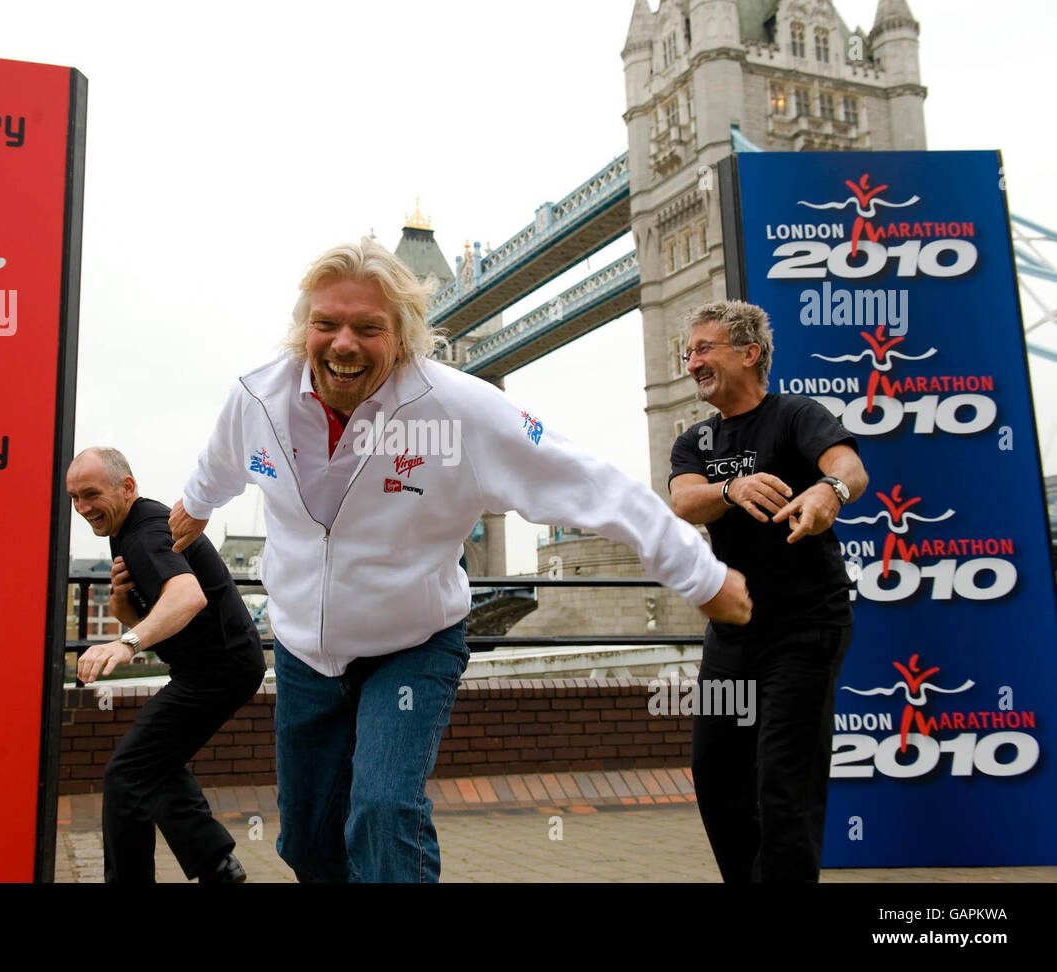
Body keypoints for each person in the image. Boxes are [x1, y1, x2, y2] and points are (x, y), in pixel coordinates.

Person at [169, 239, 751, 883]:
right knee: (306, 840)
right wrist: (195, 506)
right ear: (304, 327)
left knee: (384, 811)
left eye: (370, 327)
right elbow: (219, 463)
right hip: (307, 648)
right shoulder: (256, 399)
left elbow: (588, 480)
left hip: (412, 642)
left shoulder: (458, 408)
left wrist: (699, 574)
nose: (343, 344)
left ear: (406, 337)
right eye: (327, 323)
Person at [668, 299, 869, 883]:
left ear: (750, 353)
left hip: (806, 628)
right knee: (716, 777)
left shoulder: (797, 415)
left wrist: (828, 492)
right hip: (732, 631)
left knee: (785, 783)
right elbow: (683, 500)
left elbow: (850, 468)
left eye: (705, 348)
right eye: (688, 352)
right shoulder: (696, 441)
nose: (692, 362)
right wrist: (733, 489)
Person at [66, 446, 265, 884]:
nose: (82, 508)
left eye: (91, 494)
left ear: (127, 488)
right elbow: (173, 616)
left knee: (127, 776)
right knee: (153, 764)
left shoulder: (144, 532)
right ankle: (216, 864)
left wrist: (126, 642)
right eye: (74, 497)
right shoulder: (127, 530)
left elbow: (188, 596)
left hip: (219, 668)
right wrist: (125, 611)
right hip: (209, 665)